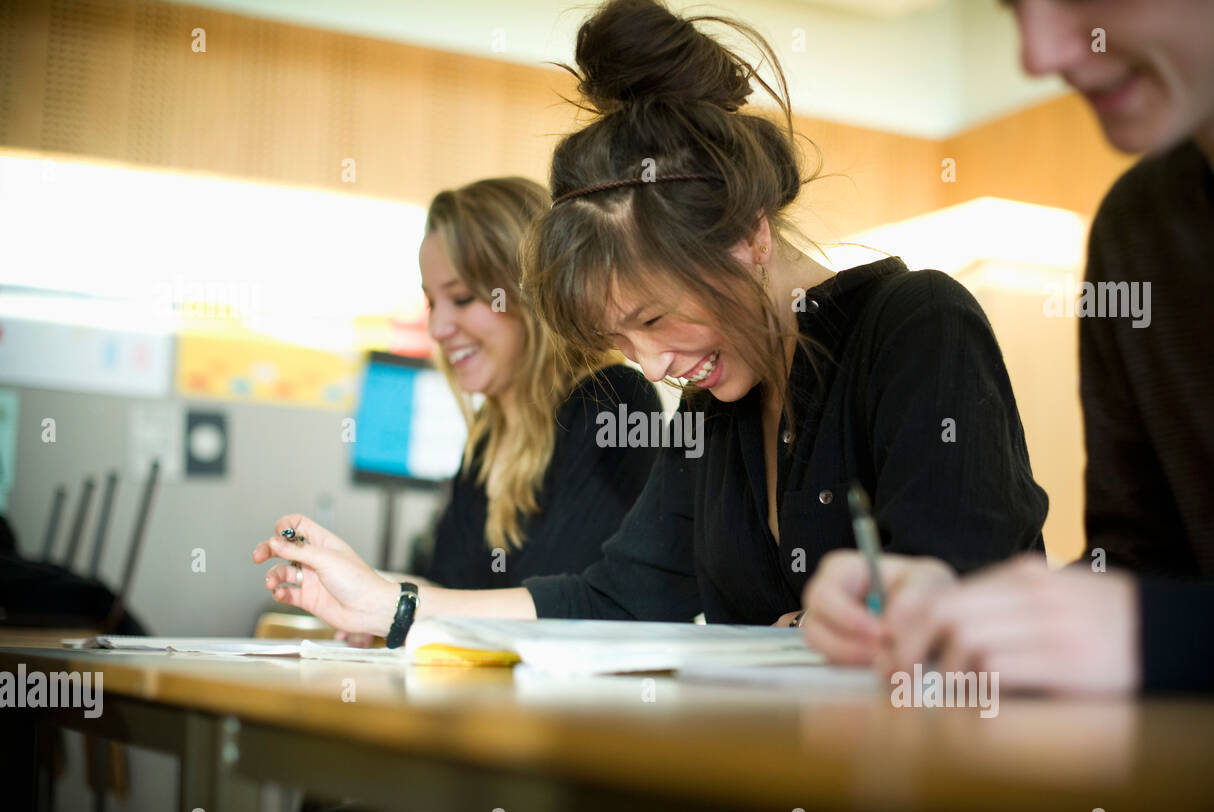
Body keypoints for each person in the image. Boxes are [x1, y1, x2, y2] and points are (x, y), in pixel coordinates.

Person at [252, 0, 1047, 640]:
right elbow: (615, 598)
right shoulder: (715, 409)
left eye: (654, 318)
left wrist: (840, 626)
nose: (654, 367)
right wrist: (392, 605)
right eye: (621, 343)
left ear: (747, 238)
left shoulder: (916, 329)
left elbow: (963, 607)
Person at [802, 0, 1214, 695]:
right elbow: (1139, 560)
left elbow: (1155, 618)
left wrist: (1168, 634)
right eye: (1013, 7)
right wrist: (960, 613)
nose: (1039, 56)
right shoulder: (1136, 229)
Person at [325, 176, 662, 646]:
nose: (438, 327)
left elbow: (571, 608)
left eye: (462, 298)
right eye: (431, 301)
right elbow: (457, 590)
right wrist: (371, 597)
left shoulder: (615, 403)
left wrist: (403, 605)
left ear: (528, 292)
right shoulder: (488, 432)